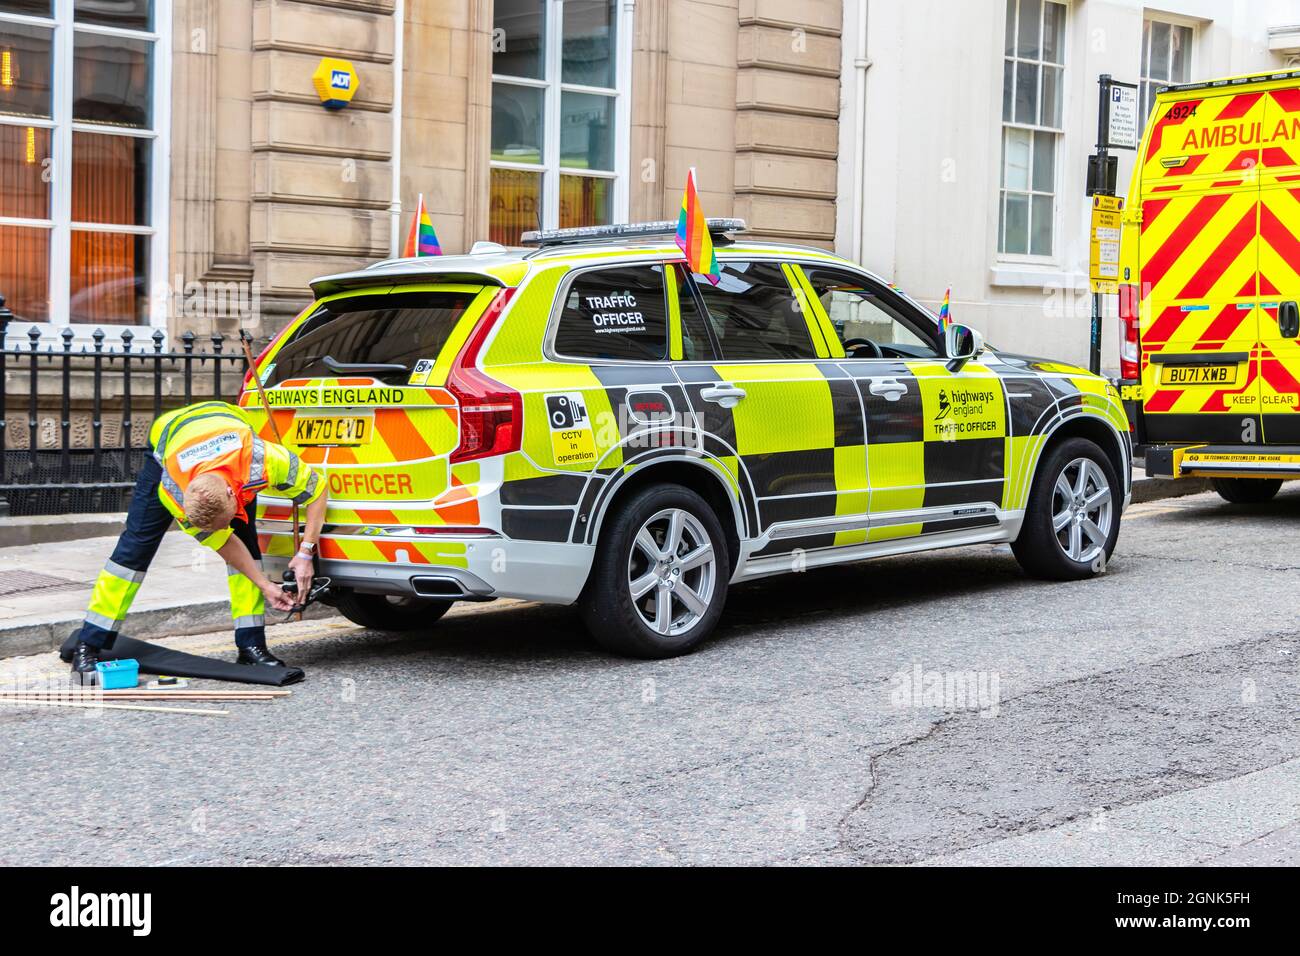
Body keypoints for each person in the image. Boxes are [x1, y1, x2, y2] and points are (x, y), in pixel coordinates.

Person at [70, 400, 327, 683]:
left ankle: (251, 646)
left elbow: (316, 491)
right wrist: (265, 585)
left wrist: (305, 553)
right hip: (170, 440)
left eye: (227, 520)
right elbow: (226, 547)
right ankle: (89, 644)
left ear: (233, 493)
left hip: (228, 429)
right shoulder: (173, 492)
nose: (225, 529)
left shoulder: (264, 460)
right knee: (132, 553)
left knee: (248, 544)